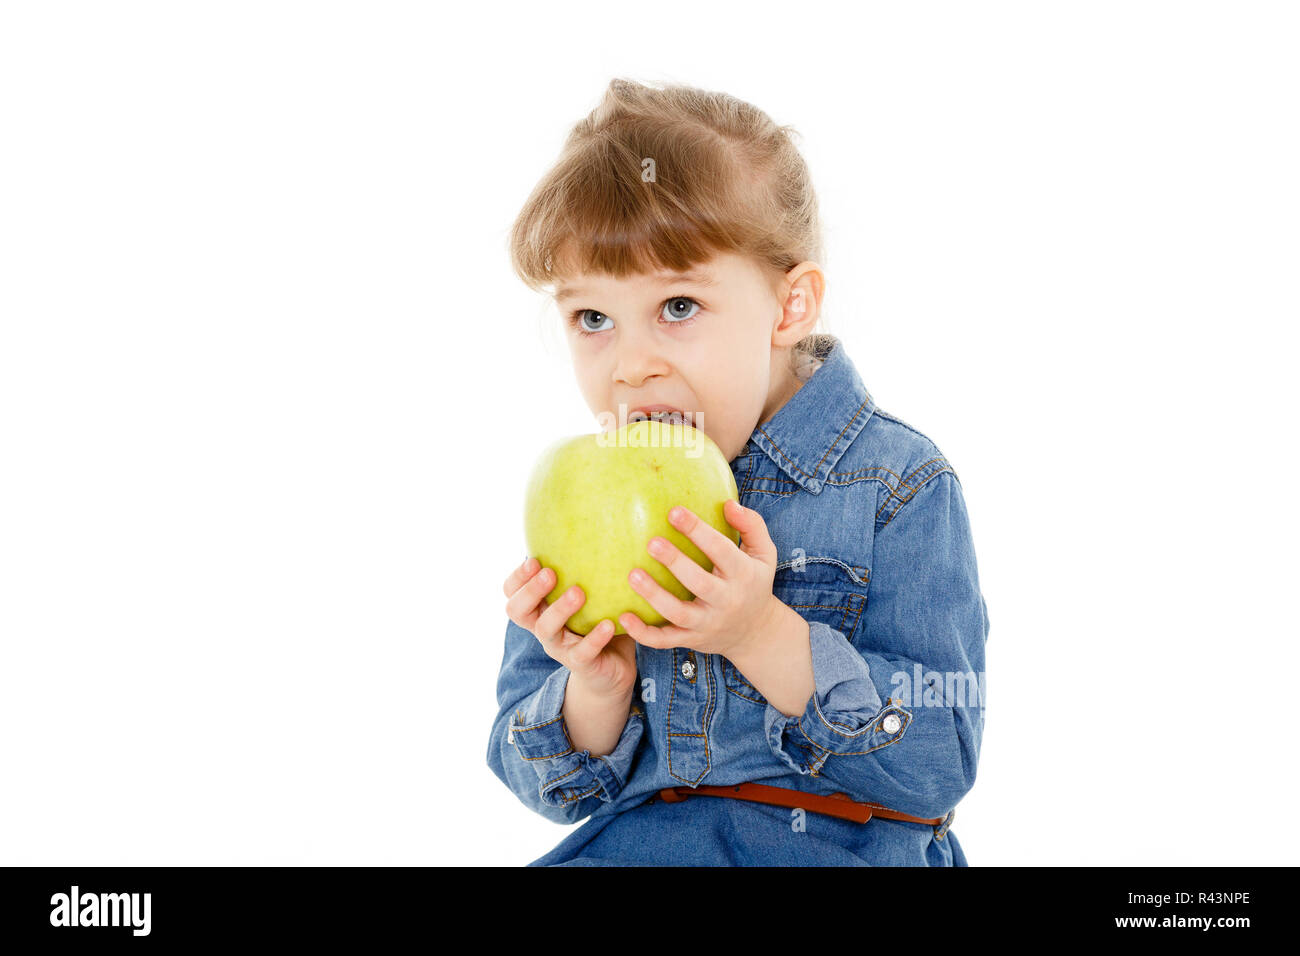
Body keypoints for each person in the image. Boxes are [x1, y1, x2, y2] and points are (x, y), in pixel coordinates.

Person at [487, 77, 989, 866]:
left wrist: (762, 635)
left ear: (790, 308)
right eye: (593, 319)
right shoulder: (587, 502)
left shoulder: (897, 485)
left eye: (678, 306)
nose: (631, 367)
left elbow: (940, 762)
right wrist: (599, 689)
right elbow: (539, 782)